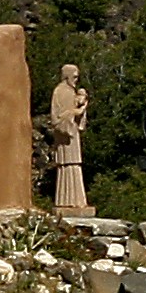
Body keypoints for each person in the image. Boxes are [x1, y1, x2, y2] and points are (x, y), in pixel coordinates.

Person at [47, 63, 91, 214]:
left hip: (70, 134)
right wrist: (81, 109)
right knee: (69, 164)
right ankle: (69, 200)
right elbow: (62, 116)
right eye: (74, 77)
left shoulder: (67, 91)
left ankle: (73, 200)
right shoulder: (62, 92)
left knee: (73, 164)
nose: (76, 80)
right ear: (67, 76)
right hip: (67, 135)